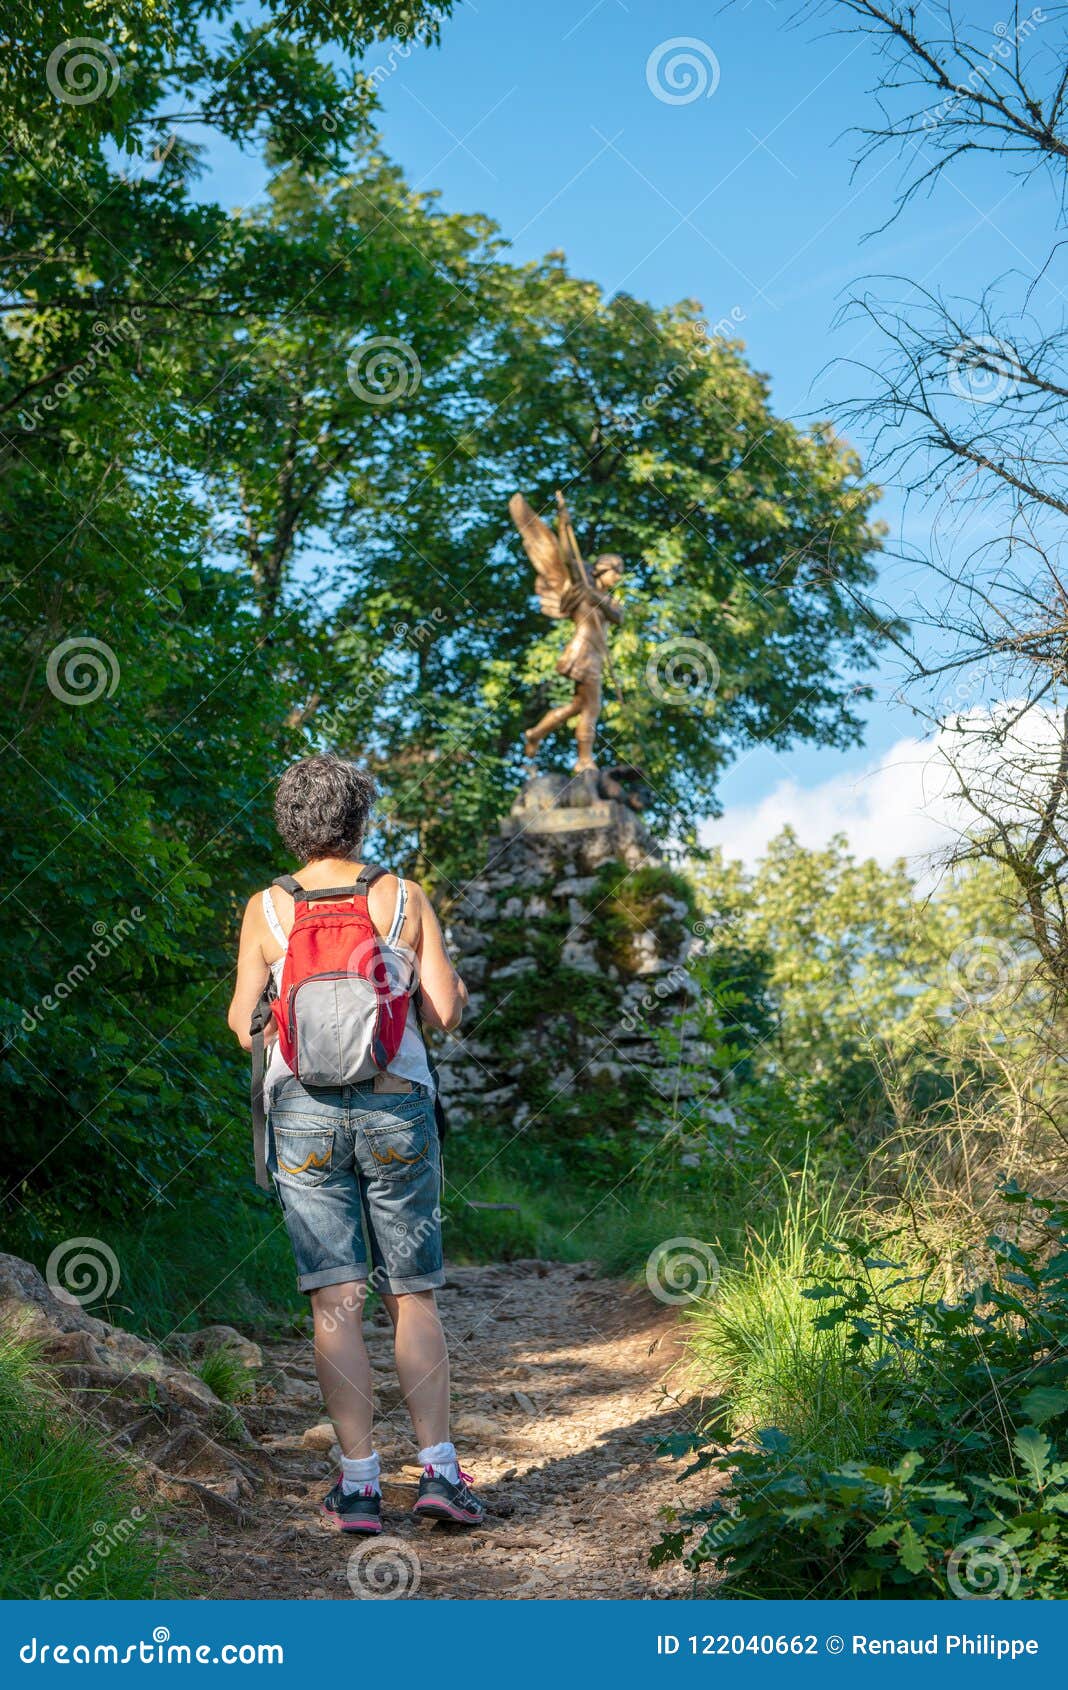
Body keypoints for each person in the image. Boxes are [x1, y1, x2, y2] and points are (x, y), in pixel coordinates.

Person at [227, 754, 484, 1534]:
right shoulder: (403, 897)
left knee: (336, 1300)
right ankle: (439, 1473)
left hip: (302, 1114)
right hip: (395, 1106)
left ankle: (361, 1485)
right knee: (413, 1293)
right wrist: (446, 987)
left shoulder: (266, 909)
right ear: (362, 819)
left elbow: (244, 1025)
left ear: (290, 825)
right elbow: (444, 1011)